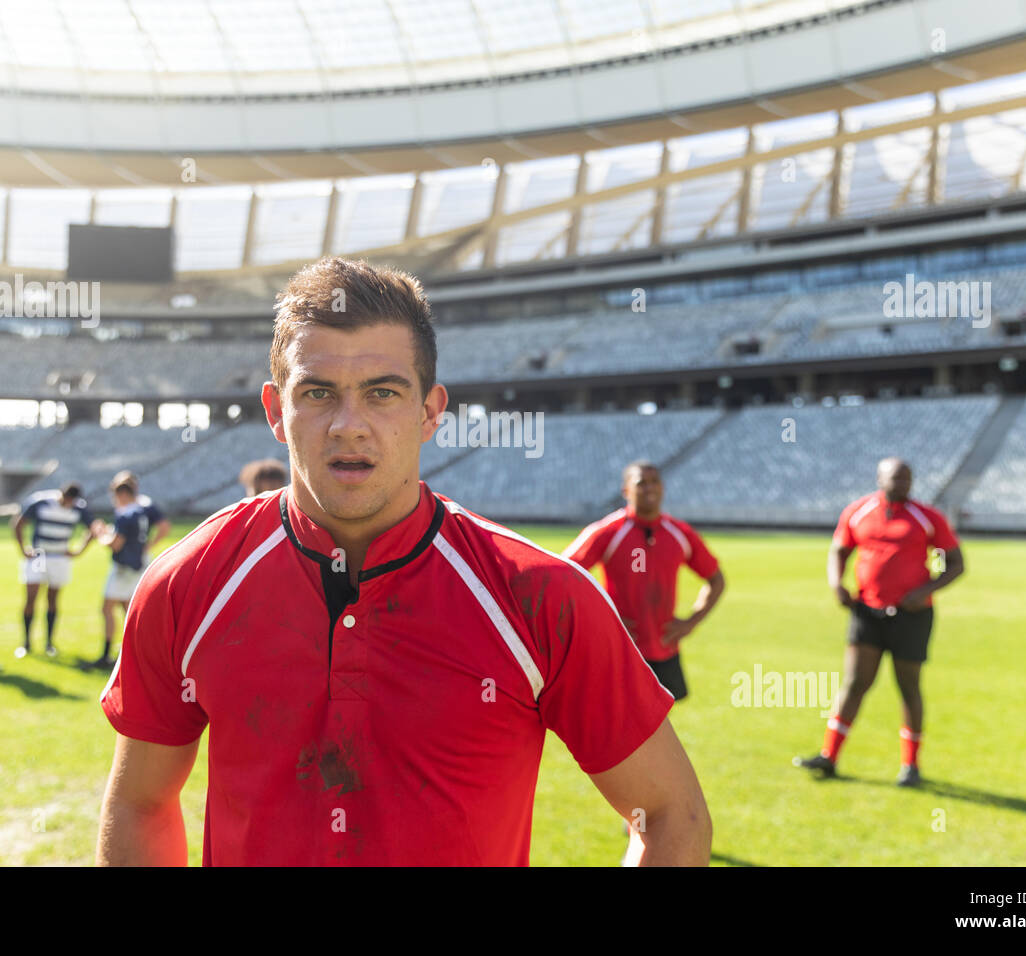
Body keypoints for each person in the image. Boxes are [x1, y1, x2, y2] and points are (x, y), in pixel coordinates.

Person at [97, 257, 710, 866]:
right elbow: (140, 804)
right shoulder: (188, 582)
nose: (348, 425)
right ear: (275, 411)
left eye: (382, 393)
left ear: (429, 411)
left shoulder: (539, 596)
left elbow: (669, 815)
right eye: (317, 393)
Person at [794, 457, 965, 786]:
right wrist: (836, 583)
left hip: (912, 616)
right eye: (896, 478)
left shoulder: (927, 517)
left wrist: (926, 590)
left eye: (907, 478)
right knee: (855, 683)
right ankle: (829, 756)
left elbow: (956, 563)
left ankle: (911, 766)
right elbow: (838, 550)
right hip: (867, 612)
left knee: (909, 687)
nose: (902, 483)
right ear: (879, 478)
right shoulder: (858, 511)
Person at [562, 462, 726, 702]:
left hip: (665, 647)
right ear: (626, 491)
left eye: (655, 481)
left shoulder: (679, 532)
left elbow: (716, 580)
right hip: (619, 650)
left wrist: (691, 622)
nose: (650, 488)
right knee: (617, 724)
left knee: (662, 724)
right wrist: (599, 620)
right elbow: (561, 575)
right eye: (641, 483)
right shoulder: (608, 531)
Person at [12, 482, 101, 658]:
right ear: (61, 494)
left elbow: (94, 528)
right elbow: (18, 523)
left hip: (60, 558)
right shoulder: (41, 502)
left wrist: (80, 550)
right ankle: (27, 643)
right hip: (39, 556)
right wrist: (23, 548)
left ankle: (49, 643)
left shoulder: (79, 508)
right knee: (31, 598)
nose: (68, 504)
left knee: (52, 599)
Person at [96, 479, 151, 670]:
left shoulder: (126, 515)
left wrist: (100, 535)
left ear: (123, 494)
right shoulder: (140, 512)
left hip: (123, 568)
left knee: (106, 608)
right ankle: (134, 652)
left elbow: (116, 544)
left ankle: (106, 654)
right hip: (137, 565)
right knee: (127, 610)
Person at [110, 470, 171, 558]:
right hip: (129, 555)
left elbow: (164, 526)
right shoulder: (126, 505)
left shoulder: (142, 506)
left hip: (133, 558)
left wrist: (150, 545)